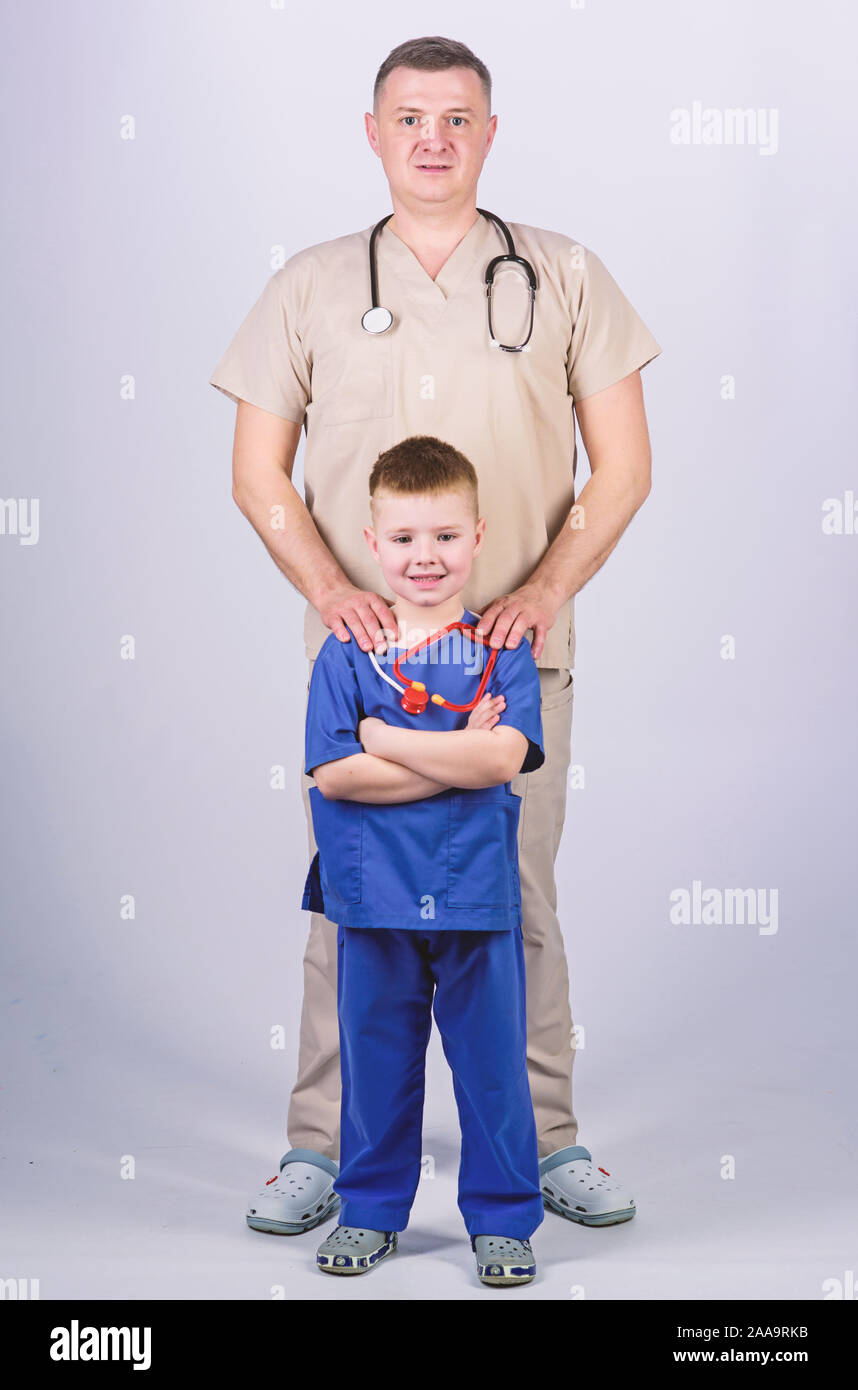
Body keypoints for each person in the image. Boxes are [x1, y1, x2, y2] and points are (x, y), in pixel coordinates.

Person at [209, 35, 661, 1237]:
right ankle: (323, 1143)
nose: (433, 139)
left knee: (517, 894)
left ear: (490, 134)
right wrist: (328, 583)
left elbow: (624, 470)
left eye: (458, 118)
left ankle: (547, 1139)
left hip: (511, 655)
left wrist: (546, 592)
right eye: (410, 117)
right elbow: (259, 472)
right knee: (351, 900)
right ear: (373, 132)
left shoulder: (561, 273)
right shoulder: (309, 283)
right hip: (366, 664)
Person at [303, 435, 545, 1285]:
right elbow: (336, 777)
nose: (426, 557)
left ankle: (505, 1221)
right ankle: (370, 1210)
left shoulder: (503, 646)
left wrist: (385, 741)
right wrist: (445, 755)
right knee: (374, 1066)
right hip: (372, 898)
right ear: (373, 545)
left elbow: (500, 762)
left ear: (478, 535)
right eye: (404, 539)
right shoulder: (345, 652)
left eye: (445, 536)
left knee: (491, 1068)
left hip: (473, 891)